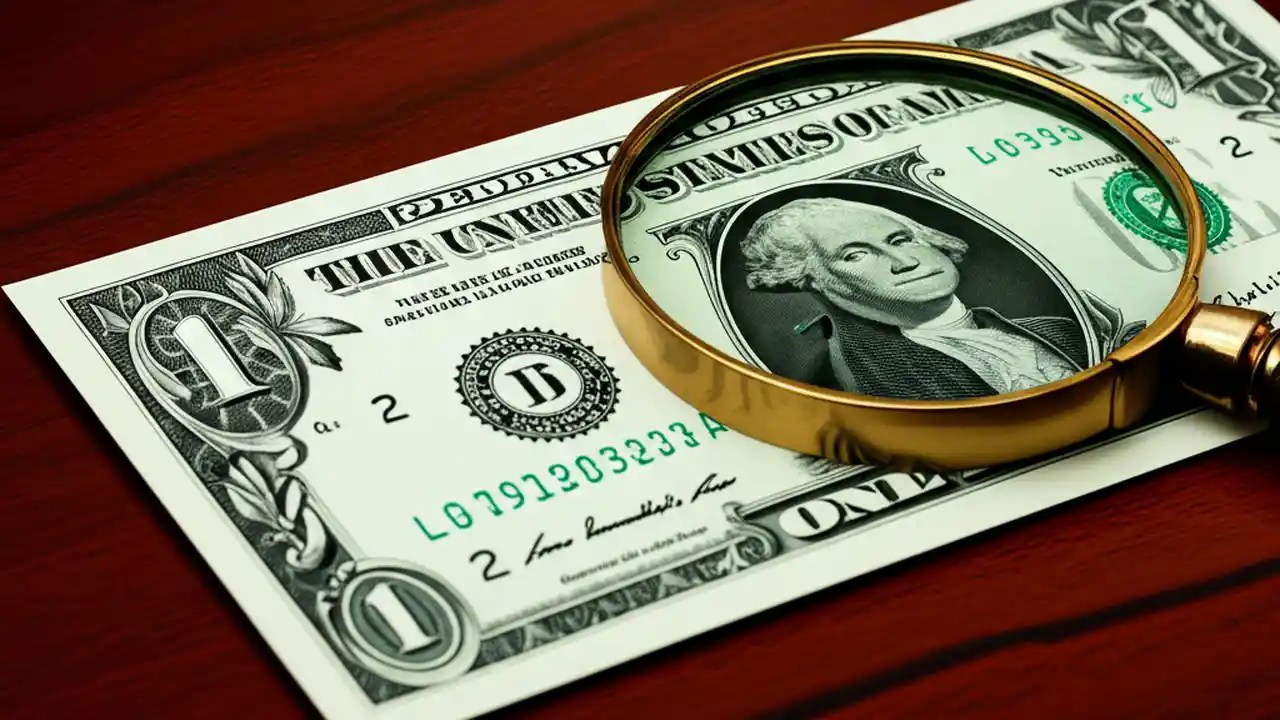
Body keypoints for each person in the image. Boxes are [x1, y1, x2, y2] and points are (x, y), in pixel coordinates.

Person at [739, 197, 1144, 400]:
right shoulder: (862, 382)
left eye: (901, 240)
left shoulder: (1060, 331)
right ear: (810, 279)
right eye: (855, 255)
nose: (904, 262)